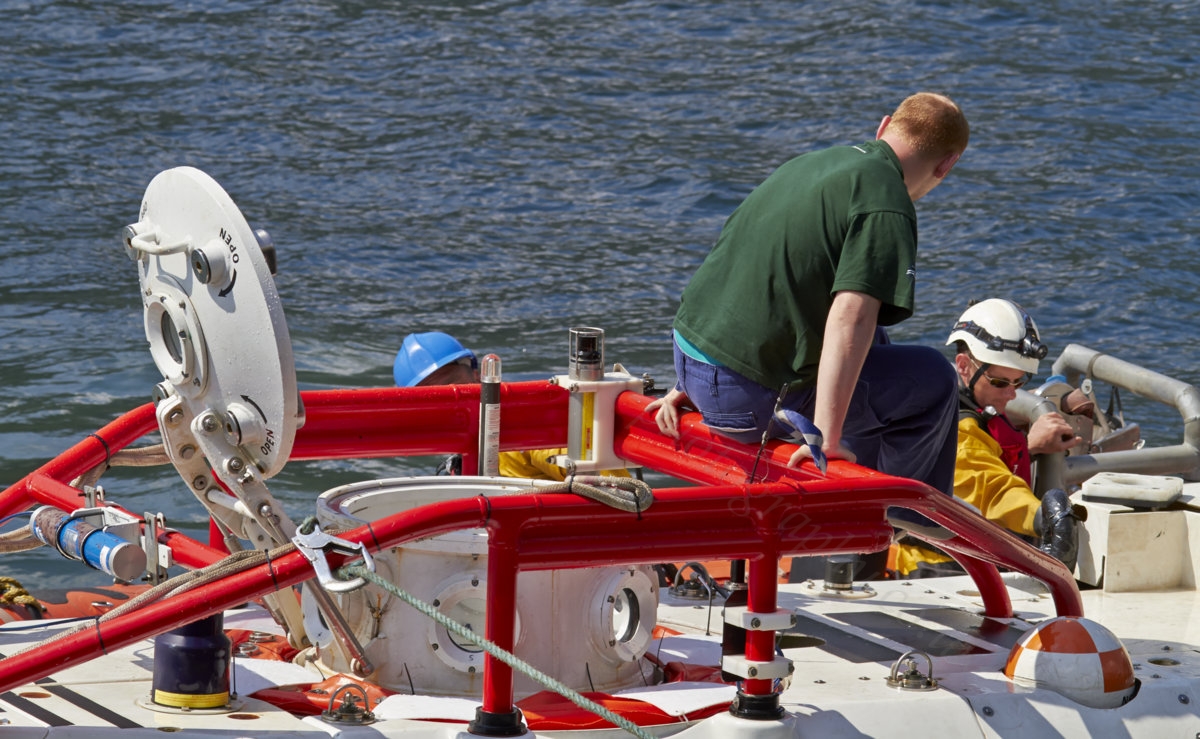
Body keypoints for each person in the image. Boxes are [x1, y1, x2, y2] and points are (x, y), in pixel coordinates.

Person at [650, 92, 968, 508]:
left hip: (690, 368)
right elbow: (850, 318)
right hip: (743, 399)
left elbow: (741, 263)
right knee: (933, 380)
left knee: (878, 344)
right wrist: (827, 439)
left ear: (884, 127)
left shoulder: (811, 165)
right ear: (947, 165)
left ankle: (864, 494)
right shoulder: (887, 203)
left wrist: (691, 381)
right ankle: (908, 519)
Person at [893, 299, 1083, 578]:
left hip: (974, 558)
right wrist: (1045, 516)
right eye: (1000, 383)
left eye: (1020, 382)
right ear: (964, 366)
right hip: (941, 567)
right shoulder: (959, 429)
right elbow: (991, 490)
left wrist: (1030, 446)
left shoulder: (961, 401)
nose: (1011, 394)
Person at [394, 331, 629, 481]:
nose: (447, 404)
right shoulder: (464, 442)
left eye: (452, 387)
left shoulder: (522, 426)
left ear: (477, 374)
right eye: (431, 398)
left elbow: (616, 488)